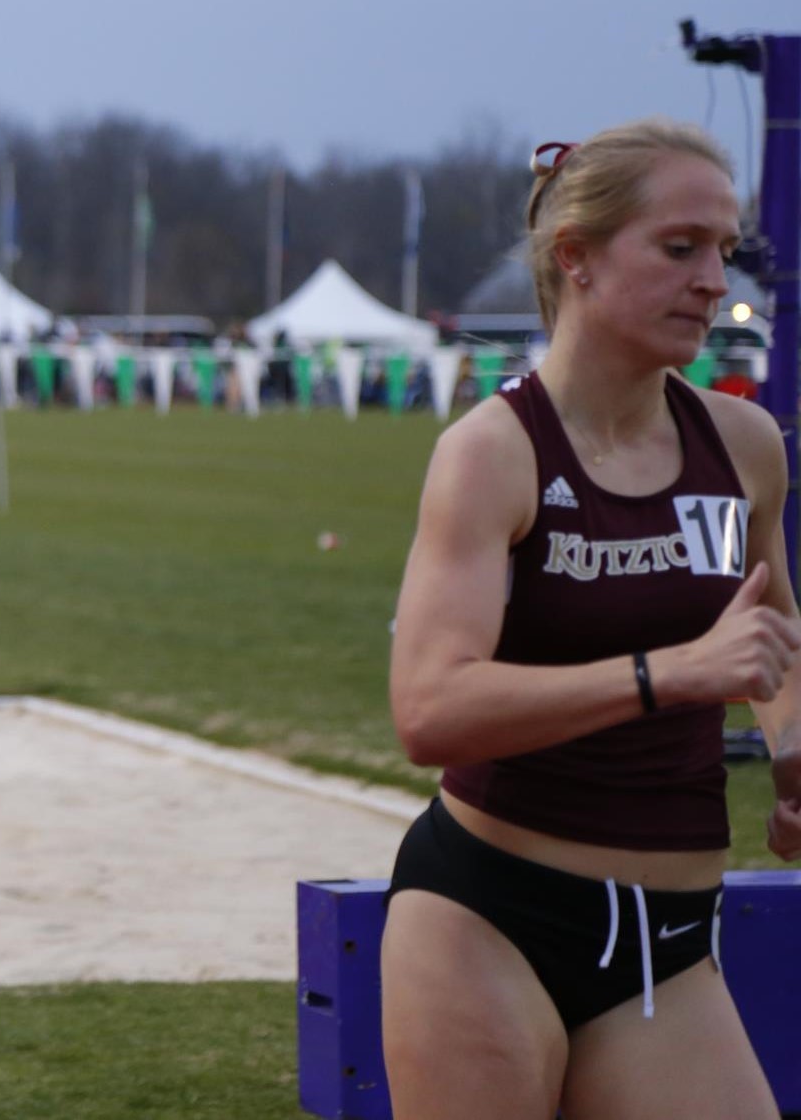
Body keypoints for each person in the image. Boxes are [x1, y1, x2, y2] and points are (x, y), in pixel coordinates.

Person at [381, 119, 801, 1119]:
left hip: (668, 936)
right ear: (574, 256)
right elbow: (427, 708)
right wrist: (668, 674)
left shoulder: (742, 443)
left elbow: (769, 642)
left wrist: (789, 745)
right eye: (677, 246)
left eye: (724, 248)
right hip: (488, 915)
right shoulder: (493, 451)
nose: (712, 277)